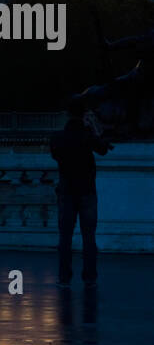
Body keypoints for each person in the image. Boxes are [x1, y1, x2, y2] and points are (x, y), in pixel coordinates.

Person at [49, 97, 112, 287]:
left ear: (67, 114)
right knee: (89, 237)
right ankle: (90, 277)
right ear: (84, 114)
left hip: (67, 191)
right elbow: (103, 149)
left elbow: (55, 155)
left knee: (65, 237)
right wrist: (93, 129)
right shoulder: (87, 136)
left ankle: (64, 276)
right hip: (87, 191)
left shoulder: (57, 137)